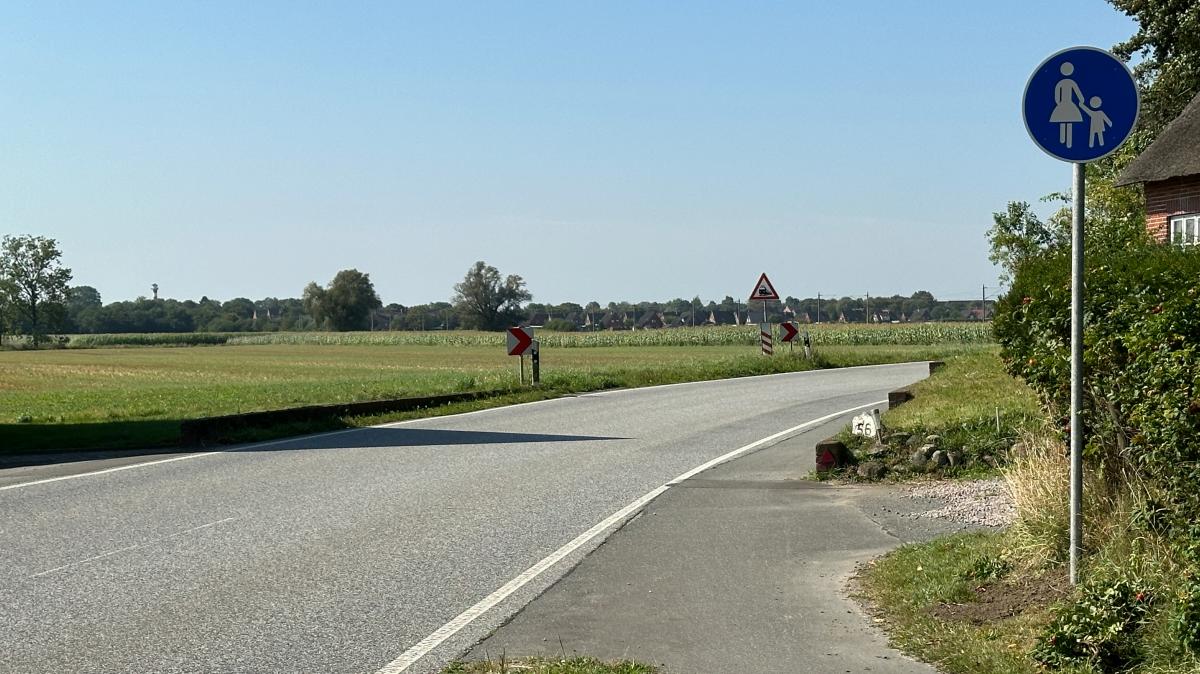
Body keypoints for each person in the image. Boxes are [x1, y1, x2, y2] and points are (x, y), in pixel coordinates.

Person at [1050, 62, 1085, 148]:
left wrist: (1058, 103)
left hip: (1063, 104)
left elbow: (1057, 95)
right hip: (1068, 104)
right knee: (1068, 121)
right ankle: (1066, 141)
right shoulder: (1070, 82)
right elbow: (1077, 92)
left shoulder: (1061, 83)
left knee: (1064, 120)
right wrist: (1081, 99)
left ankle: (1064, 140)